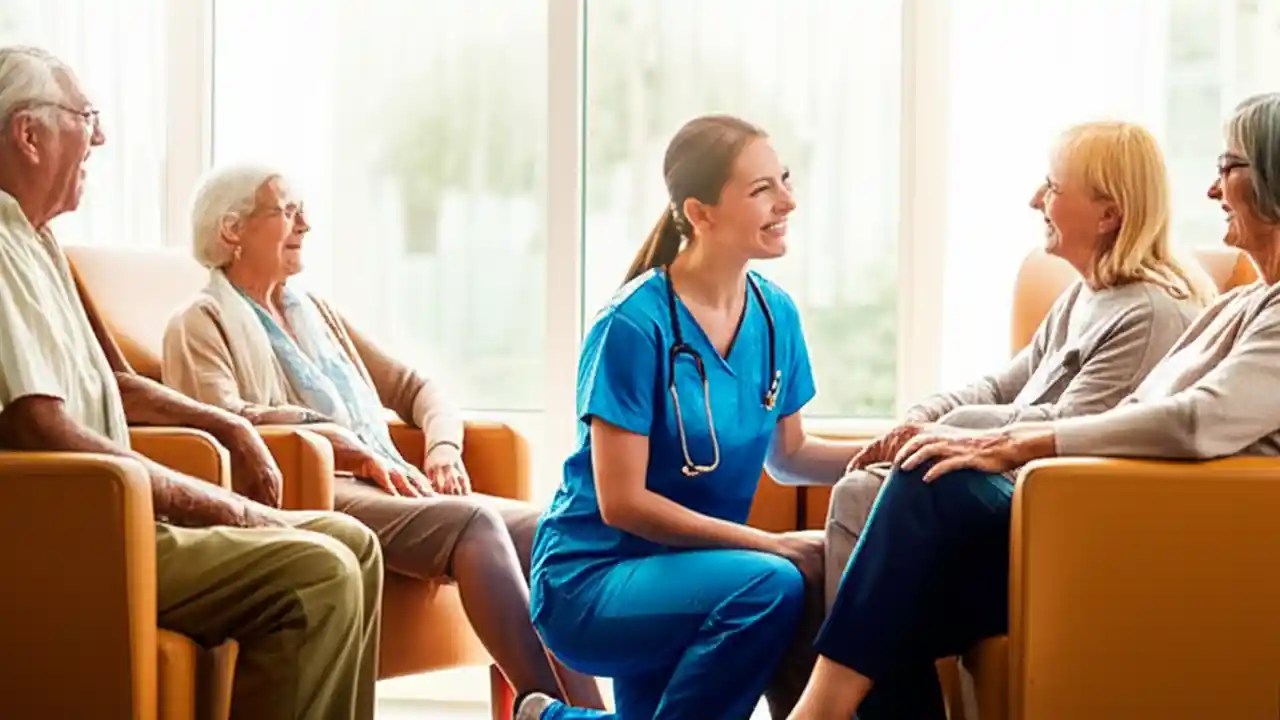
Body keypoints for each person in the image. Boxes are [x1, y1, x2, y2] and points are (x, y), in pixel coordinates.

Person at [789, 93, 1280, 720]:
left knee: (921, 486)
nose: (1211, 191)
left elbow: (1196, 421)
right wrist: (944, 422)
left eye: (1227, 167)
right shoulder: (1237, 305)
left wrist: (1019, 443)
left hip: (1152, 538)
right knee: (886, 593)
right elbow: (1106, 404)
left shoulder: (1200, 309)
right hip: (1094, 516)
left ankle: (819, 710)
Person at [0, 45, 383, 720]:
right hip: (76, 535)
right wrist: (227, 506)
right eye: (84, 116)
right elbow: (38, 424)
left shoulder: (38, 241)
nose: (101, 135)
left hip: (122, 519)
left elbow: (114, 380)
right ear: (28, 135)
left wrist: (226, 425)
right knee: (318, 575)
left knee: (357, 545)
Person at [161, 163, 605, 710]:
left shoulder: (315, 313)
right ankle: (546, 706)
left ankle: (594, 713)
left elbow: (416, 387)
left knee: (546, 531)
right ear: (232, 230)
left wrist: (443, 449)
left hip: (384, 478)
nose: (305, 224)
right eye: (287, 211)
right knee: (476, 522)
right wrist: (337, 441)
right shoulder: (200, 321)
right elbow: (223, 422)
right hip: (317, 490)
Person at [518, 115, 867, 720]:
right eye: (762, 190)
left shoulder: (775, 314)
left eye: (783, 179)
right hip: (593, 579)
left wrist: (896, 448)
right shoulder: (632, 324)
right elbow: (621, 504)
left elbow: (790, 456)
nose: (788, 200)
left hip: (690, 574)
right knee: (773, 583)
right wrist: (771, 545)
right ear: (701, 213)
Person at [824, 120, 1210, 607]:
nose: (1035, 200)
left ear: (1109, 214)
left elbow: (1074, 428)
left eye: (1052, 188)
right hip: (1007, 484)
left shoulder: (1151, 313)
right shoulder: (1084, 296)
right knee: (852, 500)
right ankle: (871, 684)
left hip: (1054, 516)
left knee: (862, 497)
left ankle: (854, 683)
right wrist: (922, 418)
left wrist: (947, 430)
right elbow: (999, 387)